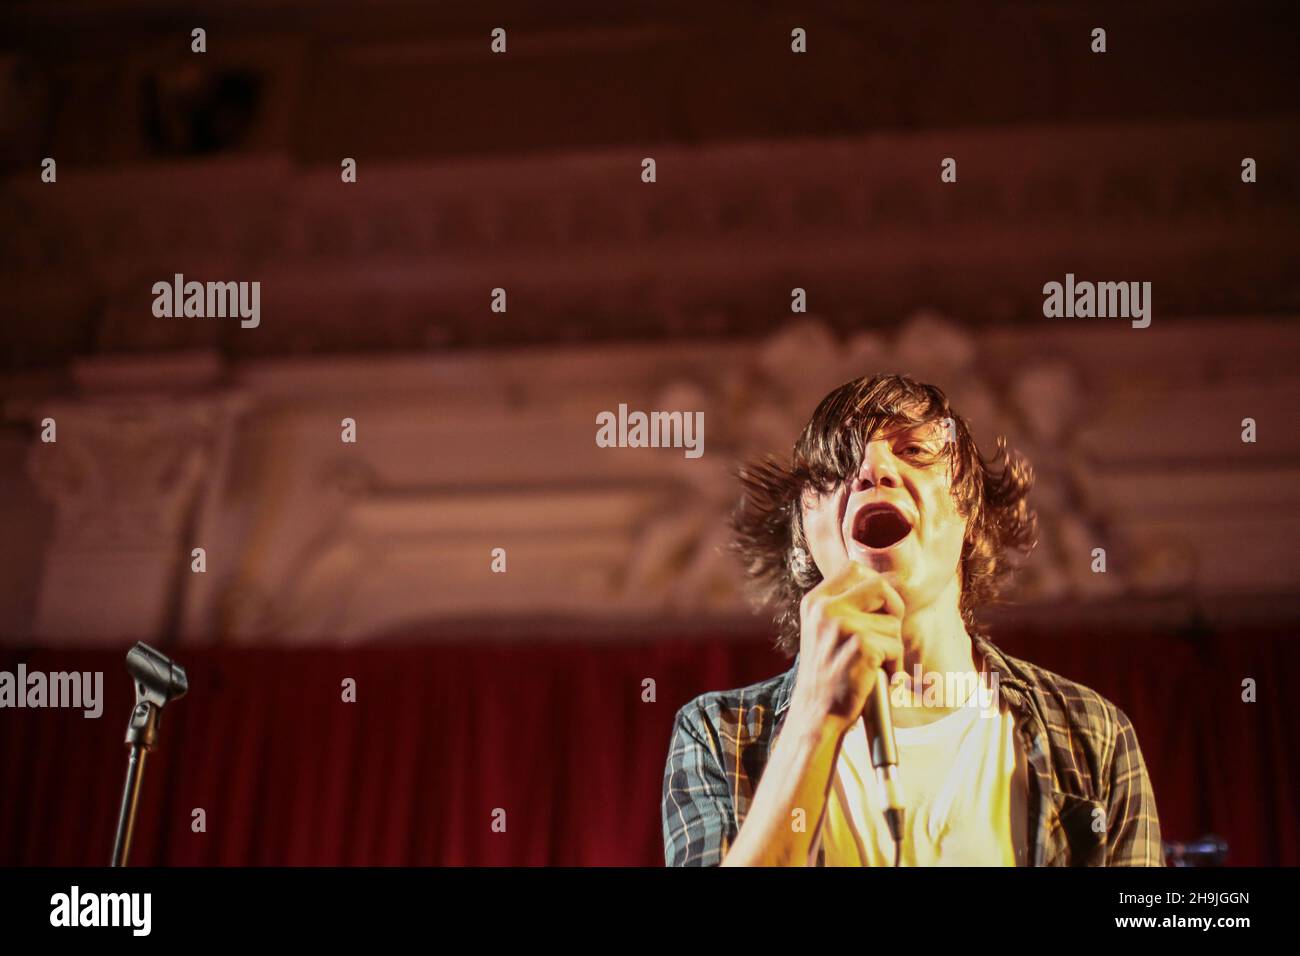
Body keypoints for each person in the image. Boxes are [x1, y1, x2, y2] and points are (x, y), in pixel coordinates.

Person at [661, 373, 1163, 866]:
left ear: (969, 512)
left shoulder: (1091, 733)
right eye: (837, 467)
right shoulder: (718, 735)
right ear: (805, 536)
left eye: (915, 452)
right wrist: (813, 715)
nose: (873, 469)